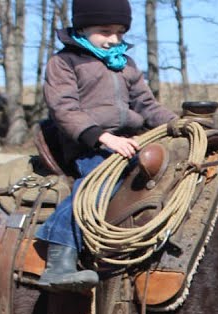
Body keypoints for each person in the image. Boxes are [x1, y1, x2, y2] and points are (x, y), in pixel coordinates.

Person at [35, 0, 178, 292]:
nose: (114, 39)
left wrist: (179, 124)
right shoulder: (64, 62)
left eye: (120, 32)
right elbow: (65, 110)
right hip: (89, 144)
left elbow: (147, 105)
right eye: (105, 31)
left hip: (132, 141)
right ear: (82, 29)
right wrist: (104, 138)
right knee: (99, 185)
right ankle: (59, 255)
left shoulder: (125, 64)